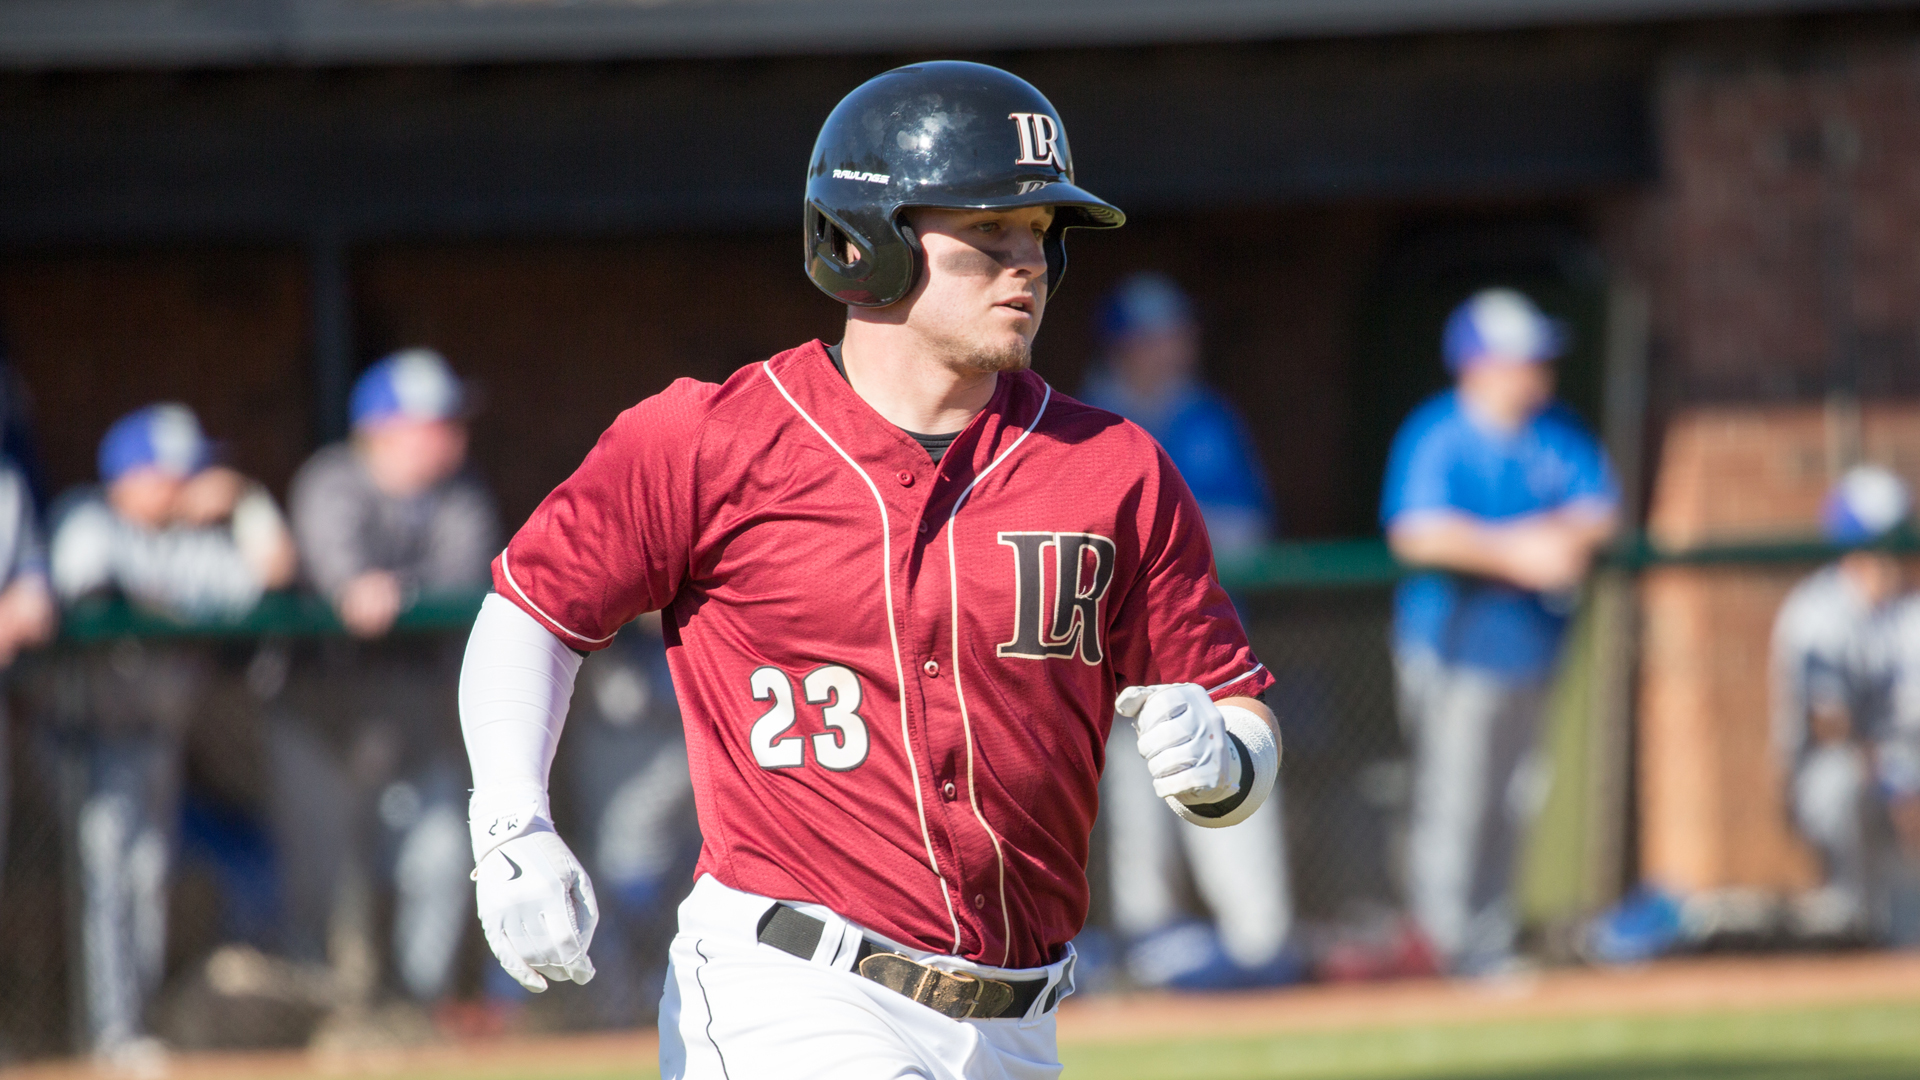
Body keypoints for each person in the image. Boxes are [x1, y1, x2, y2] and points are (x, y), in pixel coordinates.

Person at [458, 62, 1281, 1080]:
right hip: (790, 988)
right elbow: (533, 609)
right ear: (867, 241)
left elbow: (1238, 719)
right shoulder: (709, 440)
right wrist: (510, 825)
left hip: (1019, 1020)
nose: (1025, 266)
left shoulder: (1113, 469)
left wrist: (1227, 768)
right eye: (989, 236)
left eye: (1040, 237)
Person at [46, 403, 296, 1061]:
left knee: (145, 879)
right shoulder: (88, 520)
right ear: (138, 476)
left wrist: (246, 500)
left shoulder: (191, 545)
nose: (193, 485)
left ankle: (131, 1026)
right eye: (180, 473)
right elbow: (96, 598)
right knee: (105, 879)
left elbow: (272, 577)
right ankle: (106, 1032)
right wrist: (180, 614)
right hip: (78, 737)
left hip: (155, 738)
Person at [1381, 288, 1618, 977]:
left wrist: (1555, 540)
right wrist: (1520, 551)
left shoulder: (1556, 432)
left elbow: (1600, 509)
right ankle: (1444, 946)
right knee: (1454, 803)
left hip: (1534, 651)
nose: (1538, 368)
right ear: (1478, 364)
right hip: (1451, 651)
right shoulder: (1438, 432)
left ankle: (1486, 942)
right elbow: (1417, 532)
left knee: (1514, 802)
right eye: (1523, 356)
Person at [1079, 273, 1295, 988]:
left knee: (1228, 776)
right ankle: (1150, 948)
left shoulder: (1206, 418)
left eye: (1175, 334)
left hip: (1199, 655)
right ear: (1122, 346)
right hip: (1105, 660)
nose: (1169, 349)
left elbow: (1245, 531)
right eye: (1152, 338)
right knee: (1128, 809)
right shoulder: (1084, 416)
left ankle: (1261, 947)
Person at [277, 348, 499, 1017]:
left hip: (412, 724)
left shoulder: (461, 494)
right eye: (438, 423)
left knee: (441, 863)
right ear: (386, 429)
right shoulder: (332, 480)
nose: (455, 436)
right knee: (323, 885)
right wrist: (360, 589)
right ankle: (314, 1021)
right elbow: (337, 572)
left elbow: (463, 578)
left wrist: (391, 595)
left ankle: (414, 1017)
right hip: (320, 721)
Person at [1772, 464, 1920, 941]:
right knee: (1842, 779)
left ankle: (1901, 924)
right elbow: (1827, 724)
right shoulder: (1815, 611)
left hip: (1904, 763)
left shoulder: (1910, 610)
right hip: (1832, 772)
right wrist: (1894, 777)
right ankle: (1847, 915)